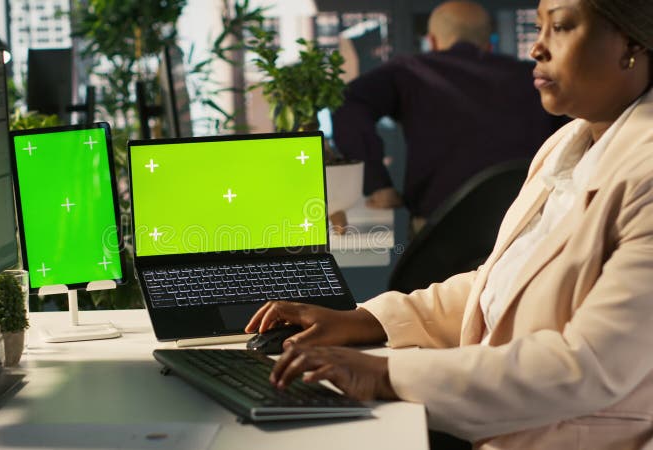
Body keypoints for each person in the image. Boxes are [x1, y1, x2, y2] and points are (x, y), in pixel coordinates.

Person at [247, 0, 653, 447]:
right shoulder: (566, 142)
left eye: (559, 27)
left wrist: (383, 372)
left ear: (633, 41)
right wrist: (364, 320)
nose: (536, 48)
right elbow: (500, 285)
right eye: (538, 28)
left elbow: (589, 366)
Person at [332, 1, 567, 221]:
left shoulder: (410, 71)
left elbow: (347, 105)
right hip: (530, 223)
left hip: (440, 231)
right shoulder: (531, 77)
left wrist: (376, 182)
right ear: (488, 44)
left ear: (432, 41)